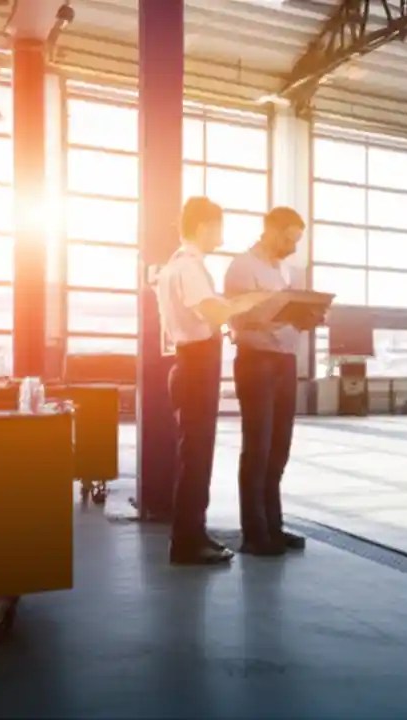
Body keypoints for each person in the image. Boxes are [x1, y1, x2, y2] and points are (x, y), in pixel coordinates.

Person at [156, 197, 276, 566]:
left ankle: (193, 533)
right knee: (196, 458)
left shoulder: (175, 266)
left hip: (190, 364)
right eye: (219, 226)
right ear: (204, 226)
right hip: (196, 367)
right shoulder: (189, 267)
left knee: (195, 455)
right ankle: (187, 541)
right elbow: (212, 312)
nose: (221, 234)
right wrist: (249, 301)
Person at [225, 207, 311, 556]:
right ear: (272, 231)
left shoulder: (284, 270)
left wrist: (304, 315)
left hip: (284, 361)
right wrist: (276, 314)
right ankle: (254, 532)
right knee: (257, 448)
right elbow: (238, 317)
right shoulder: (242, 267)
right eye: (289, 239)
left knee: (279, 448)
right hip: (256, 361)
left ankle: (273, 526)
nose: (293, 247)